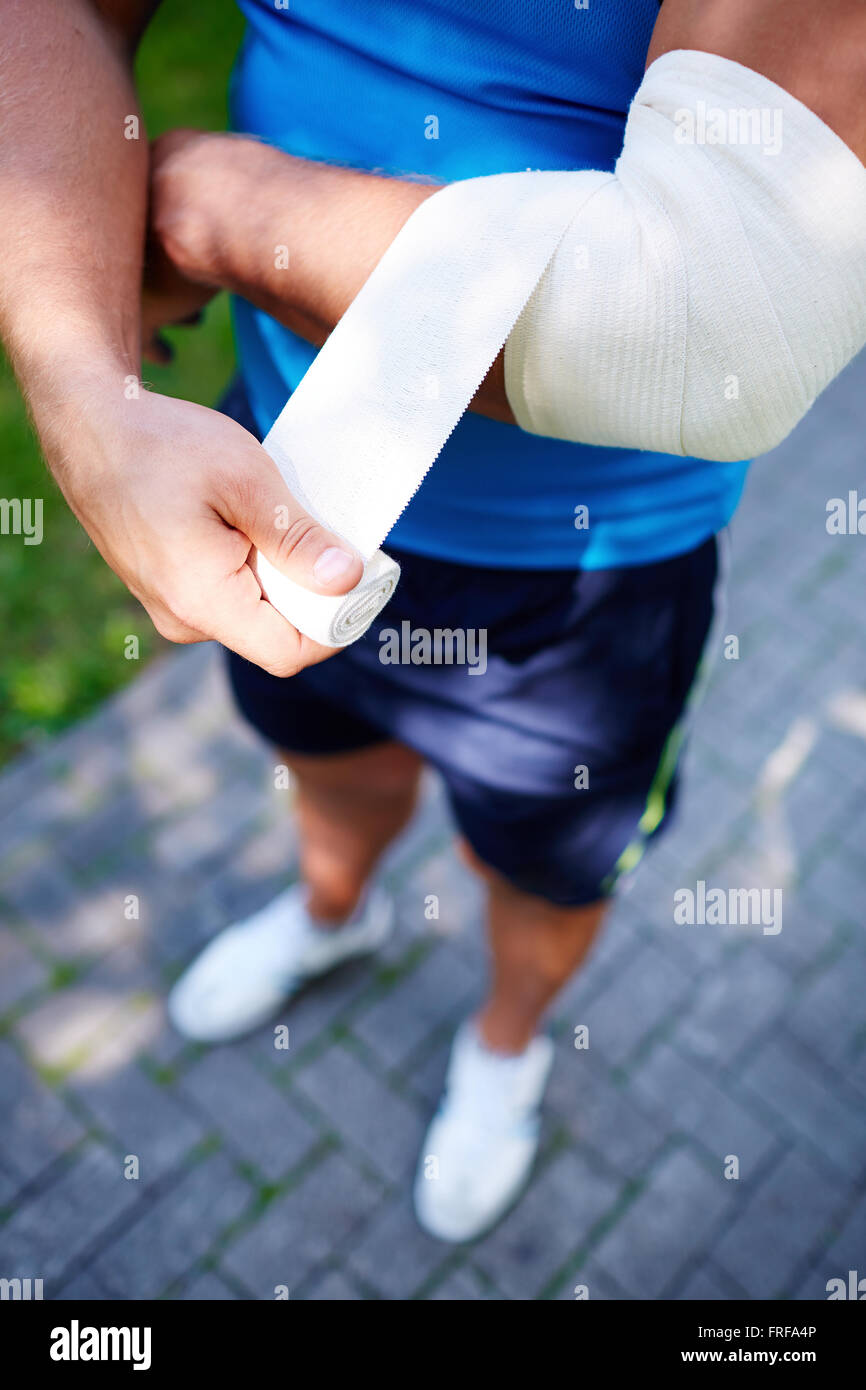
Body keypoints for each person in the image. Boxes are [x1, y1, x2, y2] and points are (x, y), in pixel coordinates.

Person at [1, 0, 864, 1243]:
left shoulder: (207, 207)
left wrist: (211, 203)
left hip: (589, 574)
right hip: (291, 474)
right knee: (328, 766)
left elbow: (715, 314)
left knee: (540, 862)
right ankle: (328, 915)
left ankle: (504, 1043)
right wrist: (81, 379)